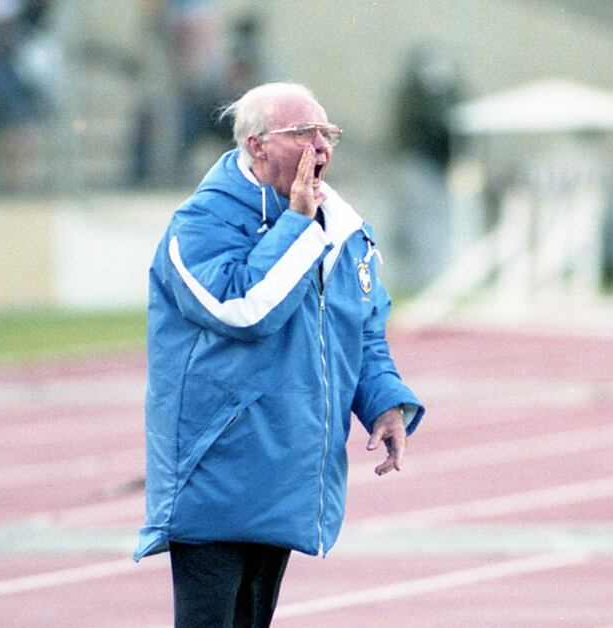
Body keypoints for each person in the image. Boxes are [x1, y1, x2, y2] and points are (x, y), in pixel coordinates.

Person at [136, 82, 425, 627]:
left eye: (327, 134)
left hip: (288, 464)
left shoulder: (341, 226)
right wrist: (296, 224)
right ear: (257, 146)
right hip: (217, 466)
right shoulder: (202, 223)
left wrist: (383, 402)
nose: (320, 147)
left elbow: (362, 328)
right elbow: (244, 309)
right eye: (303, 134)